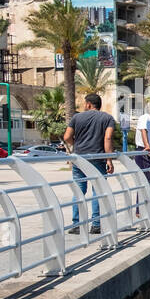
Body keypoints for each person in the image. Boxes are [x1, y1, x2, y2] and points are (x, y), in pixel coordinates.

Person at [63, 93, 116, 234]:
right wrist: (109, 159)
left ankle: (76, 225)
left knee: (79, 191)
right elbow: (108, 137)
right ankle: (96, 225)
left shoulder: (77, 117)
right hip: (98, 158)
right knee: (97, 191)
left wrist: (77, 145)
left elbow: (67, 137)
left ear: (88, 104)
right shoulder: (108, 118)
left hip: (79, 159)